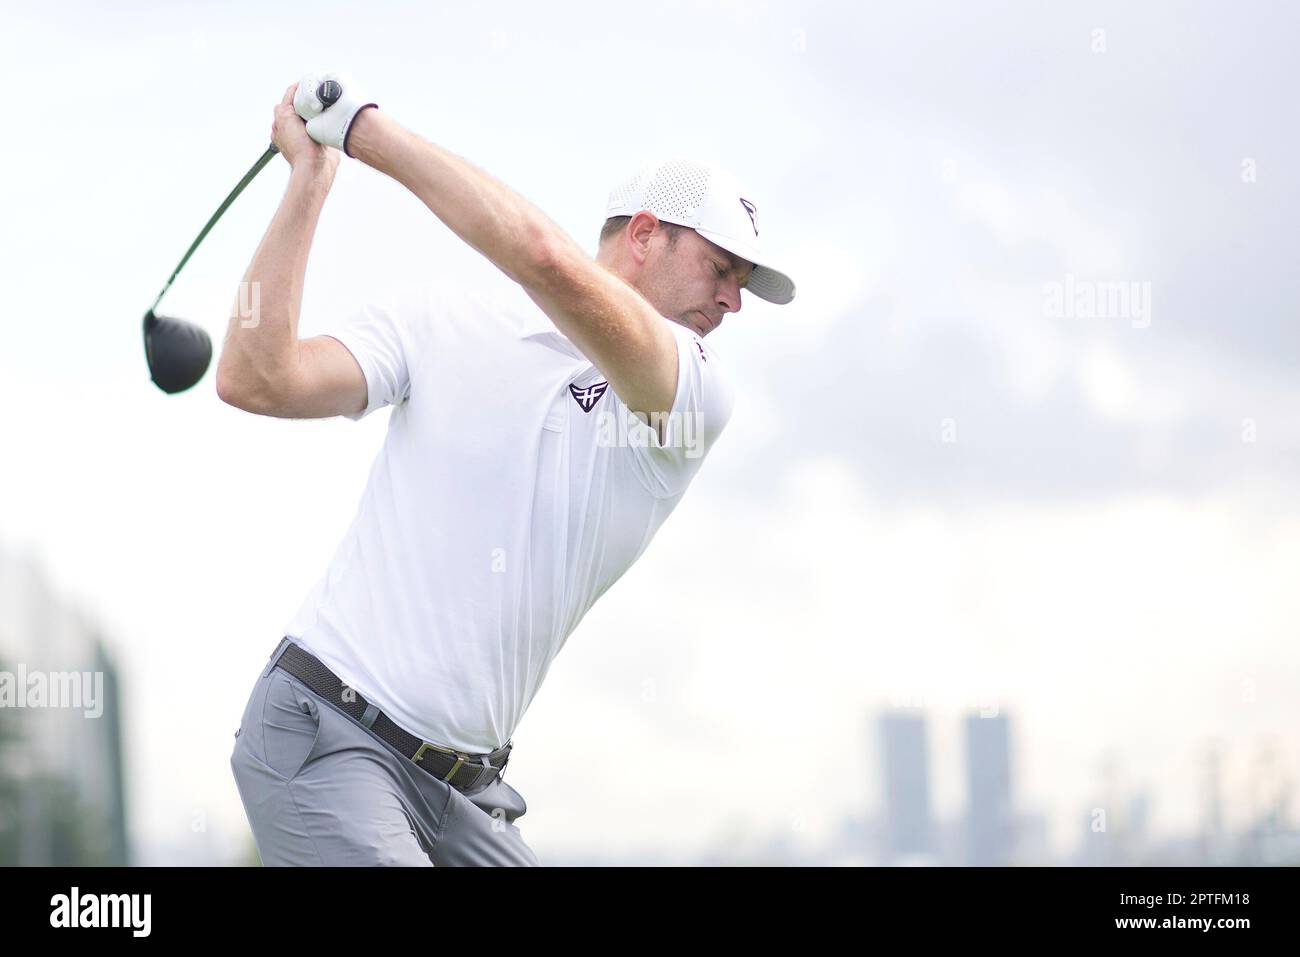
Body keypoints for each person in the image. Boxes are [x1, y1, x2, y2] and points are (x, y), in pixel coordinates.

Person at [220, 73, 796, 866]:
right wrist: (312, 179)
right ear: (644, 235)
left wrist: (363, 129)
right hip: (326, 733)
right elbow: (257, 376)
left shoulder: (694, 395)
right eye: (721, 268)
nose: (733, 302)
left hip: (465, 793)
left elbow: (545, 261)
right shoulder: (441, 323)